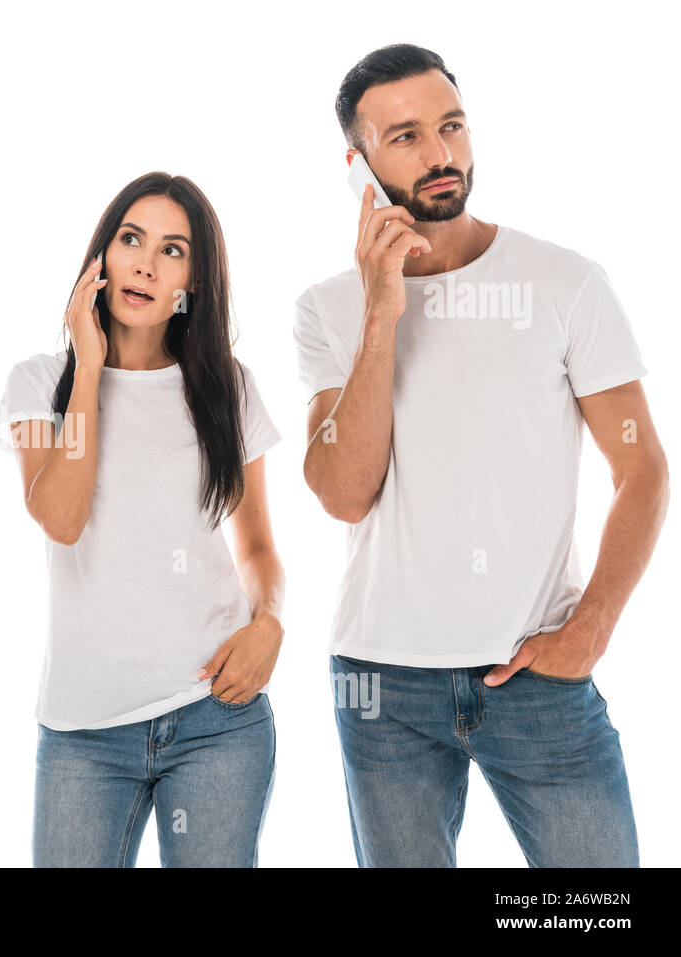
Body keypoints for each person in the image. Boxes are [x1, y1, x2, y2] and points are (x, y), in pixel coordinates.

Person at [296, 44, 669, 867]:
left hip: (536, 671)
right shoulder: (329, 308)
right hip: (380, 684)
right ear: (356, 166)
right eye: (405, 137)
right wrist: (383, 313)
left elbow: (641, 467)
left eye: (451, 126)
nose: (439, 155)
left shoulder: (564, 281)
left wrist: (593, 628)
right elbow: (345, 491)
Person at [0, 172, 285, 867]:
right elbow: (61, 518)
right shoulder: (39, 383)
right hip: (83, 729)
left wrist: (269, 621)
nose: (147, 263)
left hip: (216, 713)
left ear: (196, 283)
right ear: (102, 257)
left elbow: (260, 545)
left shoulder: (227, 388)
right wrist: (89, 368)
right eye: (131, 239)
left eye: (173, 250)